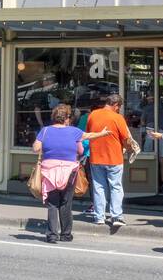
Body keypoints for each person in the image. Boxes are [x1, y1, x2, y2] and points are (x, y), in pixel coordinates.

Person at [33, 103, 111, 243]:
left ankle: (51, 235)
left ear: (54, 117)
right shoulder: (74, 132)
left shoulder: (45, 131)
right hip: (70, 171)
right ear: (67, 118)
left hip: (49, 171)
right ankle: (66, 234)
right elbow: (89, 137)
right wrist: (103, 133)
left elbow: (36, 148)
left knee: (52, 204)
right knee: (66, 203)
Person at [85, 93, 137, 233]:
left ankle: (99, 216)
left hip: (96, 156)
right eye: (119, 107)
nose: (119, 109)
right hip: (114, 157)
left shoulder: (93, 115)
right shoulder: (117, 117)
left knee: (98, 187)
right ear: (116, 105)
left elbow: (88, 133)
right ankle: (116, 216)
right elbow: (126, 139)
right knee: (116, 187)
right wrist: (129, 148)